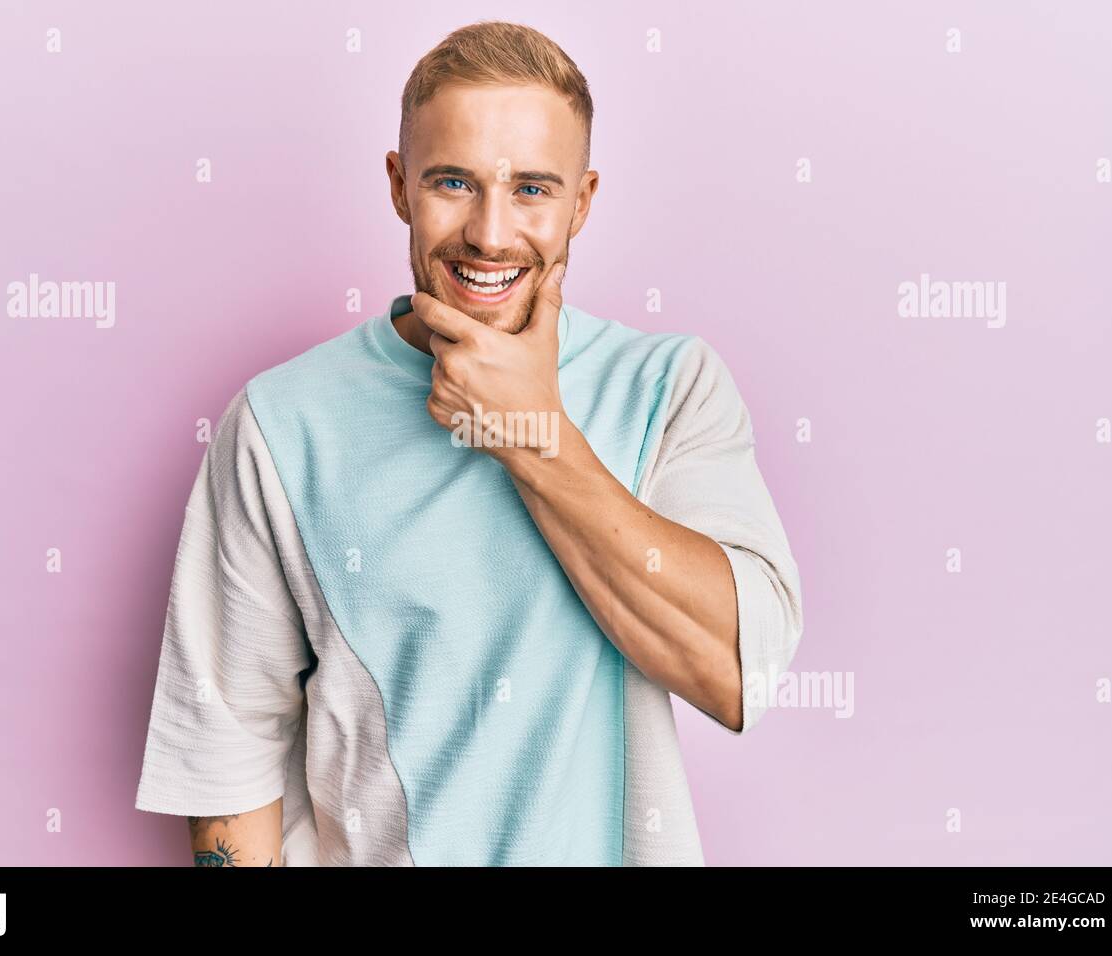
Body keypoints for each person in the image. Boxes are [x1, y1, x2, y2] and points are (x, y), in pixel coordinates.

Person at [134, 20, 804, 866]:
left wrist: (533, 431)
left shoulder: (670, 389)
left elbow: (735, 669)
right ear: (398, 186)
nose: (490, 233)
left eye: (532, 189)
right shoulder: (278, 424)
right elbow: (226, 752)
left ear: (582, 202)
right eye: (454, 181)